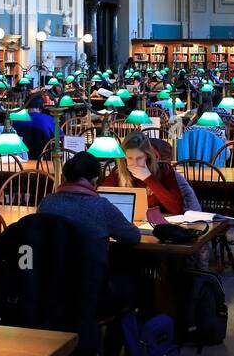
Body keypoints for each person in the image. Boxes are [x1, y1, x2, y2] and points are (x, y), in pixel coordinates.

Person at [38, 152, 140, 313]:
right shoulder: (101, 206)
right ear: (94, 180)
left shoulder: (46, 203)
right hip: (90, 290)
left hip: (48, 285)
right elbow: (133, 237)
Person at [101, 131, 198, 216]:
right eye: (130, 158)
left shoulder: (164, 170)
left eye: (139, 158)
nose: (135, 163)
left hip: (160, 226)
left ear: (147, 156)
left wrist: (148, 178)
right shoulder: (118, 172)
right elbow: (103, 200)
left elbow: (177, 209)